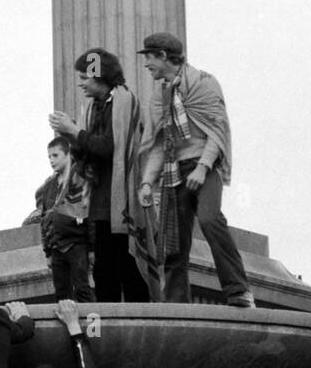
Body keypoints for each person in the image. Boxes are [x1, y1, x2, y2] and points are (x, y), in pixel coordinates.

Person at [135, 32, 255, 307]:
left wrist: (202, 167)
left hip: (204, 164)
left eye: (149, 58)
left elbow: (217, 130)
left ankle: (239, 290)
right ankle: (177, 303)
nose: (146, 65)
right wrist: (145, 182)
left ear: (163, 56)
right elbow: (158, 143)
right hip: (174, 170)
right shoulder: (159, 95)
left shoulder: (204, 83)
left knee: (210, 219)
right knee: (174, 240)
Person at [48, 48, 161, 302]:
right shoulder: (93, 107)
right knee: (104, 270)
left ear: (100, 75)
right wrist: (69, 134)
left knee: (128, 266)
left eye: (85, 77)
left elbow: (109, 146)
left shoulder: (123, 101)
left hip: (123, 199)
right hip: (101, 199)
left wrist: (74, 131)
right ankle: (108, 333)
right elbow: (89, 151)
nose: (81, 83)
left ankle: (137, 329)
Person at [28, 135, 93, 301]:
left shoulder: (79, 179)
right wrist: (47, 250)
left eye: (55, 155)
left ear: (68, 154)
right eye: (49, 156)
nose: (51, 160)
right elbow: (45, 218)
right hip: (56, 245)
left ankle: (91, 325)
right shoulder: (49, 186)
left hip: (76, 242)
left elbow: (87, 212)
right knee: (61, 293)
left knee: (82, 288)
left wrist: (92, 247)